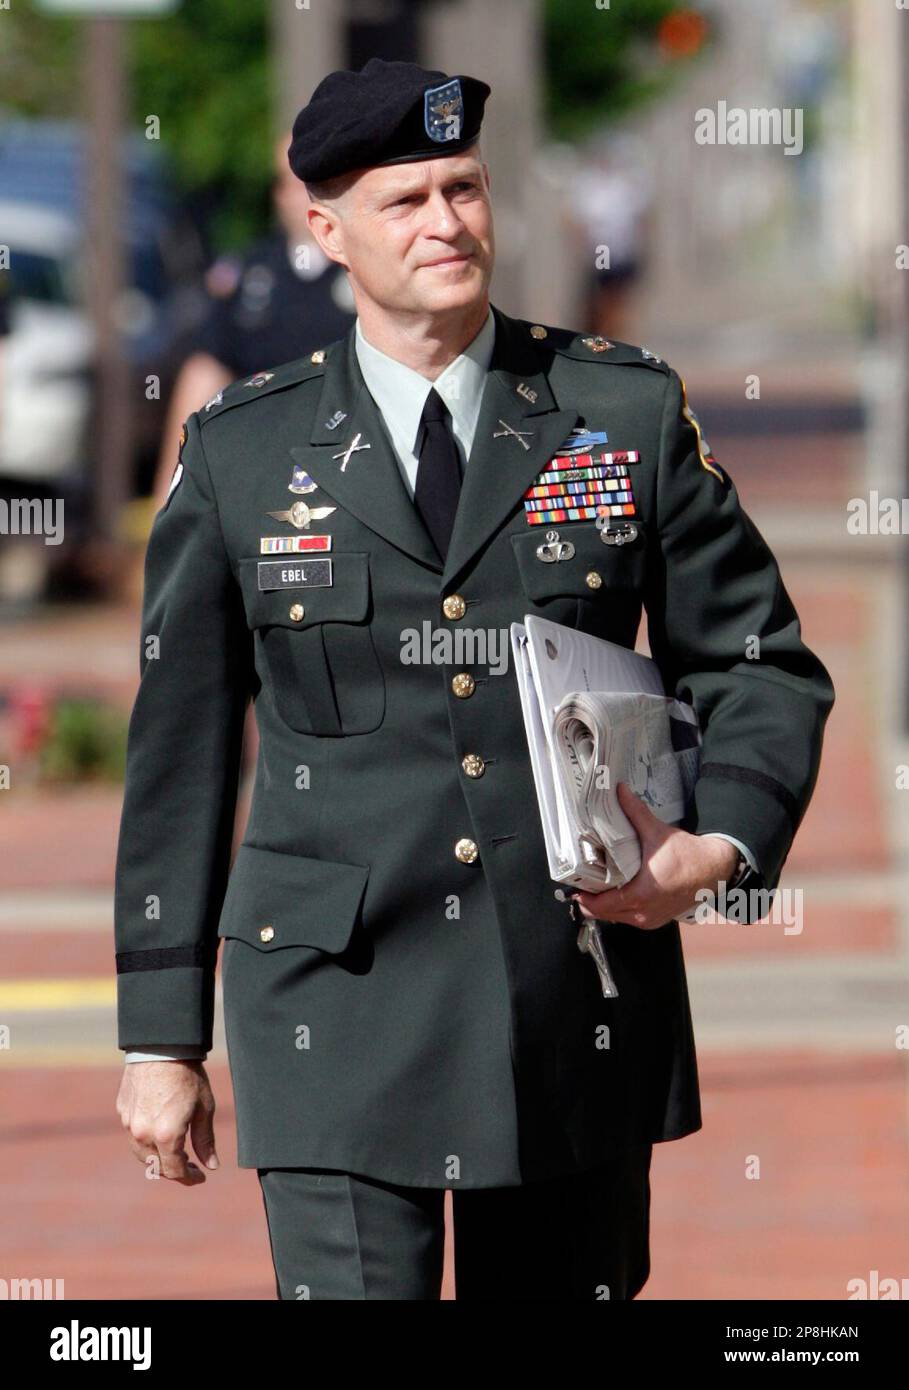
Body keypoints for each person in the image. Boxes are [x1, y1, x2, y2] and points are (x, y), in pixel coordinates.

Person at [114, 59, 834, 1301]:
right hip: (330, 1008)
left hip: (567, 999)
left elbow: (758, 661)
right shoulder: (246, 453)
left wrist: (715, 852)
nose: (446, 223)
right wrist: (159, 1036)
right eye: (405, 200)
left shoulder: (618, 413)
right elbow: (178, 753)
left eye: (465, 187)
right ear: (326, 229)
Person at [151, 135, 355, 507]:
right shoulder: (250, 276)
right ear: (278, 193)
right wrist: (168, 496)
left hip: (352, 465)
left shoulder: (365, 270)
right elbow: (204, 375)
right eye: (293, 183)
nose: (304, 194)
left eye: (315, 180)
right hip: (263, 474)